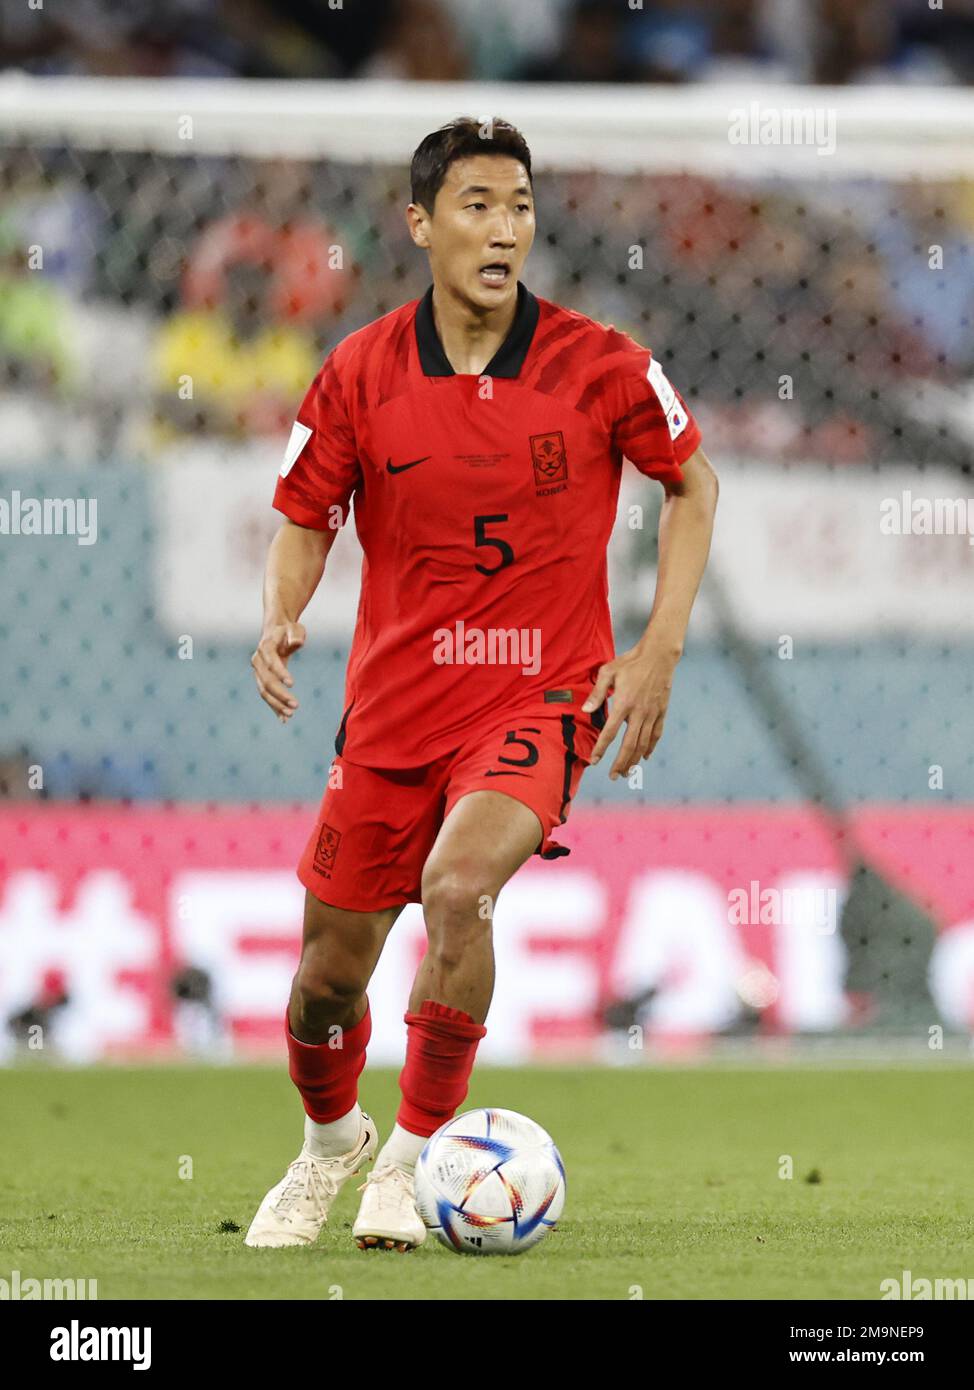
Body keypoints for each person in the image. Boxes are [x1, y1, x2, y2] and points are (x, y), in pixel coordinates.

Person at [246, 117, 718, 1252]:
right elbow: (307, 512)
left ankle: (409, 1155)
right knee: (324, 981)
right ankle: (331, 1144)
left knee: (460, 893)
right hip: (393, 710)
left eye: (518, 206)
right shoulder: (360, 368)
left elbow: (692, 485)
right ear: (420, 224)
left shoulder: (600, 362)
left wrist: (655, 649)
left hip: (534, 700)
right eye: (475, 205)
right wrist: (281, 611)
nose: (503, 228)